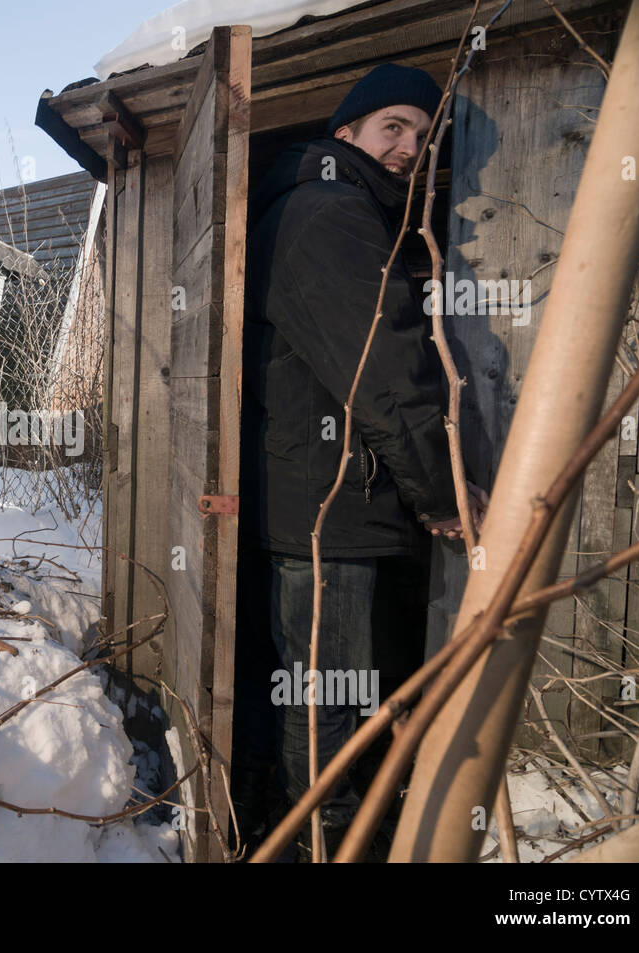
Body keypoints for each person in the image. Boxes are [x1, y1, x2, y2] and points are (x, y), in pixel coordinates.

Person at [238, 63, 488, 858]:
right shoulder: (329, 215)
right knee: (328, 706)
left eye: (422, 136)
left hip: (346, 502)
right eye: (393, 128)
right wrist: (443, 491)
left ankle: (335, 830)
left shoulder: (341, 210)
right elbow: (383, 370)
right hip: (330, 511)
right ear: (344, 133)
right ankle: (324, 843)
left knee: (338, 695)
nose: (410, 147)